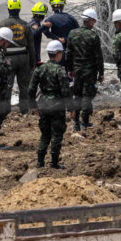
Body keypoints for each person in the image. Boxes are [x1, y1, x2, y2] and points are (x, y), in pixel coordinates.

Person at [30, 39, 70, 169]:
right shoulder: (60, 70)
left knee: (45, 134)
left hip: (43, 105)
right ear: (58, 53)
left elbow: (31, 89)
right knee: (57, 135)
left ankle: (40, 162)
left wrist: (33, 105)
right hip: (57, 107)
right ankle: (54, 163)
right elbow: (65, 91)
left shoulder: (39, 69)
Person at [65, 7, 104, 131]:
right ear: (90, 21)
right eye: (94, 21)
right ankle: (85, 121)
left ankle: (76, 122)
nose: (94, 23)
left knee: (77, 95)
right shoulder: (93, 36)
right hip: (90, 71)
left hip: (77, 70)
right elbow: (99, 56)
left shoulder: (72, 33)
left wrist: (69, 69)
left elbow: (68, 53)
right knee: (87, 96)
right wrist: (101, 73)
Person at [0, 0, 35, 114]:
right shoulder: (26, 25)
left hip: (7, 57)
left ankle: (6, 109)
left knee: (7, 84)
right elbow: (31, 46)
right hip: (23, 58)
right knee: (24, 86)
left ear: (8, 9)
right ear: (19, 9)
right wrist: (32, 63)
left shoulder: (1, 24)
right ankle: (24, 109)